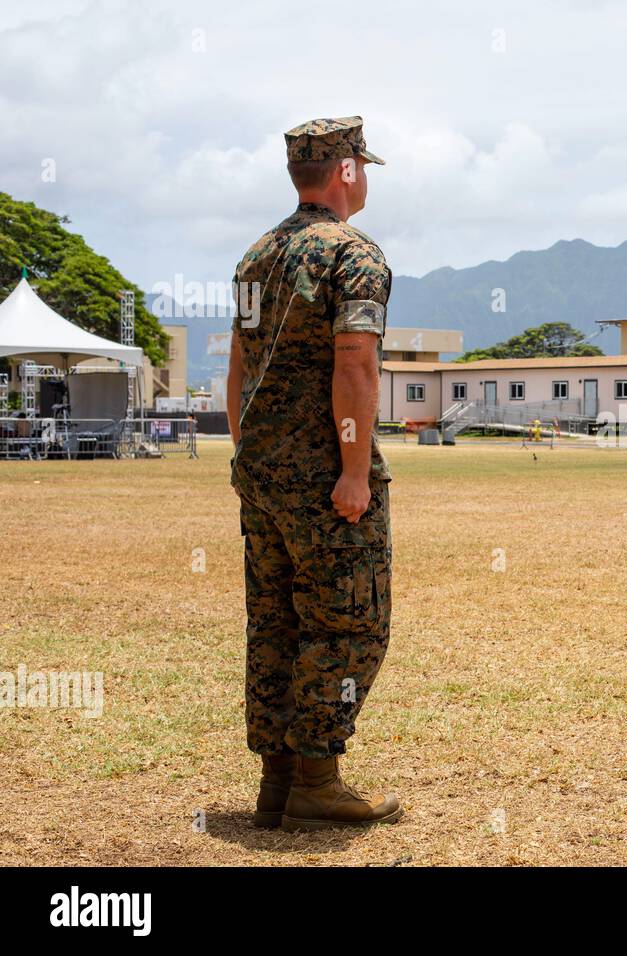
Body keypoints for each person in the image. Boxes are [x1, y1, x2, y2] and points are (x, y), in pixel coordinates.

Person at [226, 116, 401, 829]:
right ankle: (317, 777)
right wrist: (354, 469)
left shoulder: (254, 257)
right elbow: (356, 359)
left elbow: (236, 369)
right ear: (348, 170)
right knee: (351, 625)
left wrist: (248, 455)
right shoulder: (354, 255)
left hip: (263, 472)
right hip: (325, 478)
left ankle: (279, 780)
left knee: (275, 621)